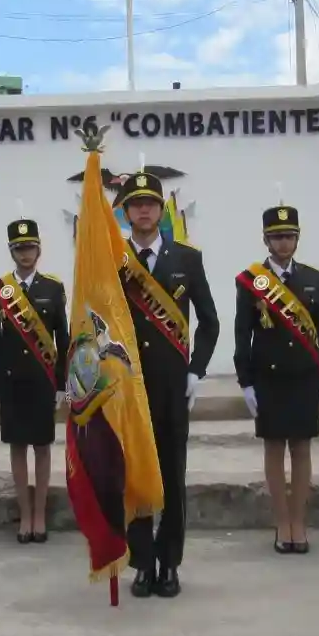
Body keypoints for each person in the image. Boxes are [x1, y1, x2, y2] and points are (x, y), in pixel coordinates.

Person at [117, 172, 220, 598]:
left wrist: (195, 371)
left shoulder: (186, 259)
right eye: (136, 203)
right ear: (125, 212)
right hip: (130, 388)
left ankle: (169, 563)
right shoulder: (113, 259)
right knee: (135, 477)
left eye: (151, 203)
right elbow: (98, 321)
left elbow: (210, 322)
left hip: (173, 387)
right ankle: (141, 563)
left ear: (161, 210)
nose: (144, 209)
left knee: (172, 477)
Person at [233, 205, 319, 554]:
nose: (284, 242)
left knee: (303, 448)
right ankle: (281, 524)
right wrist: (245, 380)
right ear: (265, 239)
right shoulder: (251, 280)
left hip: (305, 375)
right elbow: (242, 333)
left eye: (289, 236)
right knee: (275, 448)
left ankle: (299, 522)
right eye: (277, 236)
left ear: (297, 239)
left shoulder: (312, 278)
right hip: (269, 377)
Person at [0, 218, 70, 543]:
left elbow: (63, 337)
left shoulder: (53, 288)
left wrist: (62, 383)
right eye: (19, 249)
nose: (25, 254)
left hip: (43, 381)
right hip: (11, 382)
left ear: (39, 249)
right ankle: (24, 514)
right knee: (17, 447)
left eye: (29, 247)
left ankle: (40, 513)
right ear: (11, 251)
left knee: (43, 447)